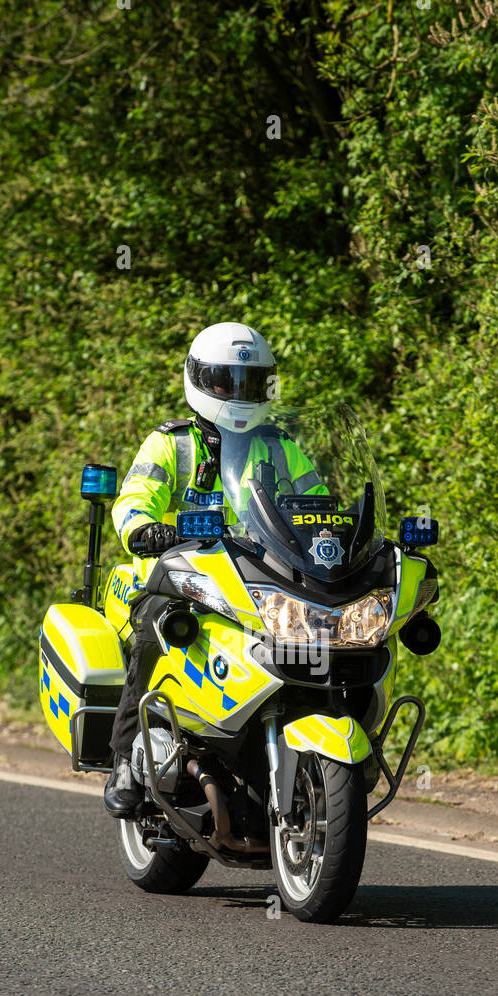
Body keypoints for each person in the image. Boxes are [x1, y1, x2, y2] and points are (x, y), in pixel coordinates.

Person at [104, 321, 325, 818]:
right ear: (200, 380)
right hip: (180, 571)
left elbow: (318, 503)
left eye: (250, 384)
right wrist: (144, 529)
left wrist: (337, 534)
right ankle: (124, 756)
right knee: (154, 627)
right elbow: (133, 501)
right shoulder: (172, 444)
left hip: (260, 575)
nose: (239, 395)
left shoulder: (280, 447)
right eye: (226, 383)